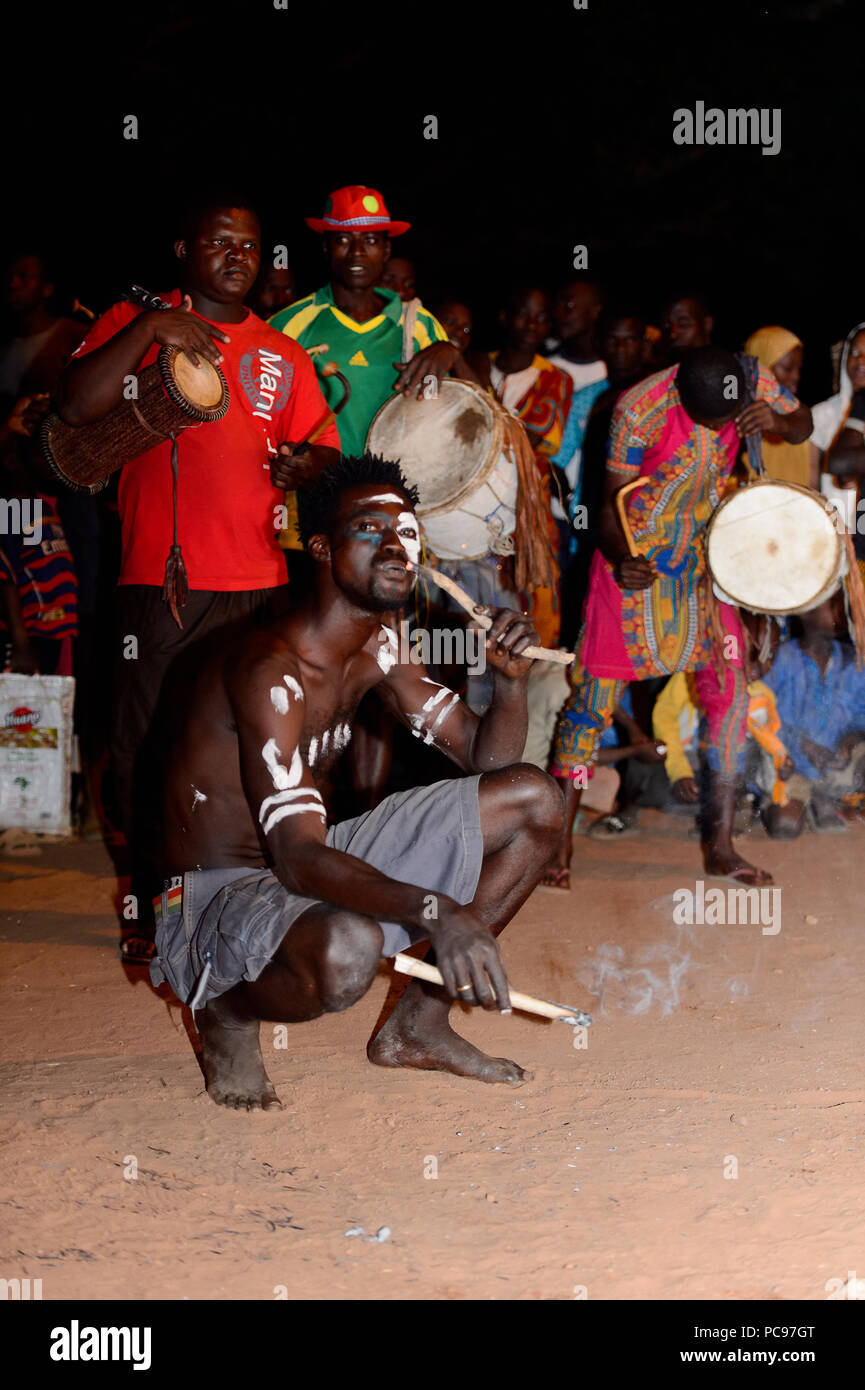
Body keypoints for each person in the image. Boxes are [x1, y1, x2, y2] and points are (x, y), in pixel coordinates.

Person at [150, 454, 562, 1110]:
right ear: (320, 547)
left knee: (535, 797)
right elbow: (294, 855)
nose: (397, 547)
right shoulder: (270, 670)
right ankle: (225, 1008)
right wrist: (438, 911)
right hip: (216, 896)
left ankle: (417, 1027)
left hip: (309, 859)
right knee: (348, 950)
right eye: (371, 529)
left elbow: (486, 762)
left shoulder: (378, 647)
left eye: (407, 532)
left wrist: (508, 685)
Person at [56, 197, 340, 960]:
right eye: (219, 242)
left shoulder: (284, 354)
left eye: (248, 246)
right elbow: (75, 405)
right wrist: (150, 331)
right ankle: (152, 901)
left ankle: (238, 897)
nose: (237, 256)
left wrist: (312, 468)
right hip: (162, 581)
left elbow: (325, 457)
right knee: (146, 746)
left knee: (250, 750)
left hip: (257, 584)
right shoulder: (135, 318)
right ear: (183, 250)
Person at [542, 346, 812, 889]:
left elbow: (802, 425)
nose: (720, 431)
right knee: (589, 709)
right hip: (632, 571)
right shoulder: (637, 411)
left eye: (727, 421)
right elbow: (609, 502)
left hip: (706, 569)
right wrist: (624, 559)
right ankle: (556, 846)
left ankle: (720, 847)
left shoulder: (751, 377)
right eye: (708, 421)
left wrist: (779, 420)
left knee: (731, 699)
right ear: (682, 398)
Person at [269, 187, 456, 458]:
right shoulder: (289, 324)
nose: (357, 252)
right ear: (326, 248)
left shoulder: (421, 326)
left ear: (386, 248)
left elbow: (446, 413)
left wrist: (450, 352)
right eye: (343, 240)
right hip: (319, 493)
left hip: (402, 492)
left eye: (369, 240)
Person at [488, 287, 572, 648]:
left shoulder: (555, 379)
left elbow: (519, 443)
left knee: (533, 604)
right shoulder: (479, 364)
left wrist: (462, 365)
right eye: (523, 314)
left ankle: (531, 691)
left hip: (527, 514)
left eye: (541, 318)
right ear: (505, 317)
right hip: (471, 516)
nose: (531, 325)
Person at [763, 593, 865, 836]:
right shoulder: (781, 659)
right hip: (792, 764)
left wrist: (849, 740)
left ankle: (827, 798)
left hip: (837, 764)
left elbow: (862, 716)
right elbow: (760, 718)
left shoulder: (853, 661)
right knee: (784, 826)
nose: (841, 615)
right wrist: (804, 745)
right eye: (833, 608)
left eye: (842, 608)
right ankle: (781, 800)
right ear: (805, 613)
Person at [812, 322, 865, 545]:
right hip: (831, 538)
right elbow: (811, 485)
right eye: (854, 353)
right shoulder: (821, 415)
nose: (860, 361)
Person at [743, 326, 815, 487]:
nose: (796, 377)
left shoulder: (794, 414)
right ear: (762, 364)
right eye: (788, 368)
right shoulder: (733, 401)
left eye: (799, 369)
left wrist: (779, 423)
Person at [547, 279, 607, 392]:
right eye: (556, 305)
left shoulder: (613, 369)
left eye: (569, 305)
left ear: (594, 311)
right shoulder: (546, 365)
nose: (558, 313)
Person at [660, 292, 713, 362]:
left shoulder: (729, 367)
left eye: (683, 325)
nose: (673, 335)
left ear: (707, 324)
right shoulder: (666, 370)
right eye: (667, 328)